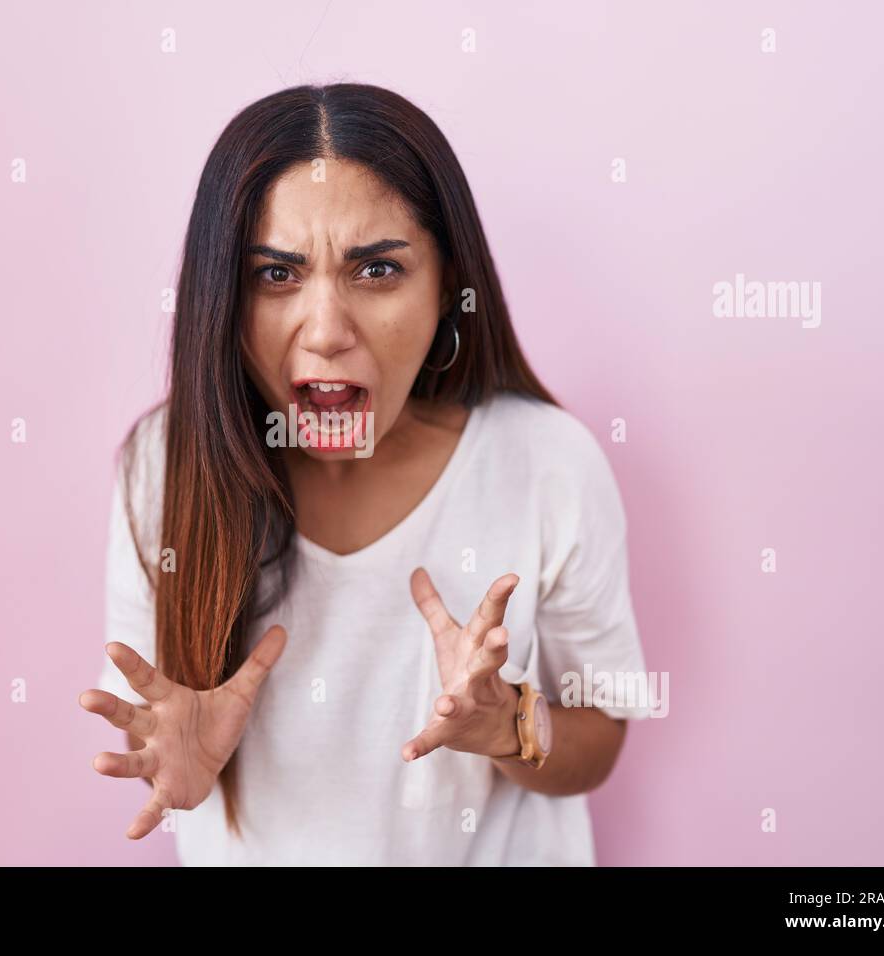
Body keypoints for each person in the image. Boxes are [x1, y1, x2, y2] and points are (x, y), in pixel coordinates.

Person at [78, 83, 649, 865]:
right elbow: (158, 728)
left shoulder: (548, 463)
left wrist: (510, 724)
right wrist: (182, 763)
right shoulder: (164, 469)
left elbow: (602, 734)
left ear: (449, 283)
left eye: (376, 271)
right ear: (223, 298)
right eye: (276, 275)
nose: (326, 331)